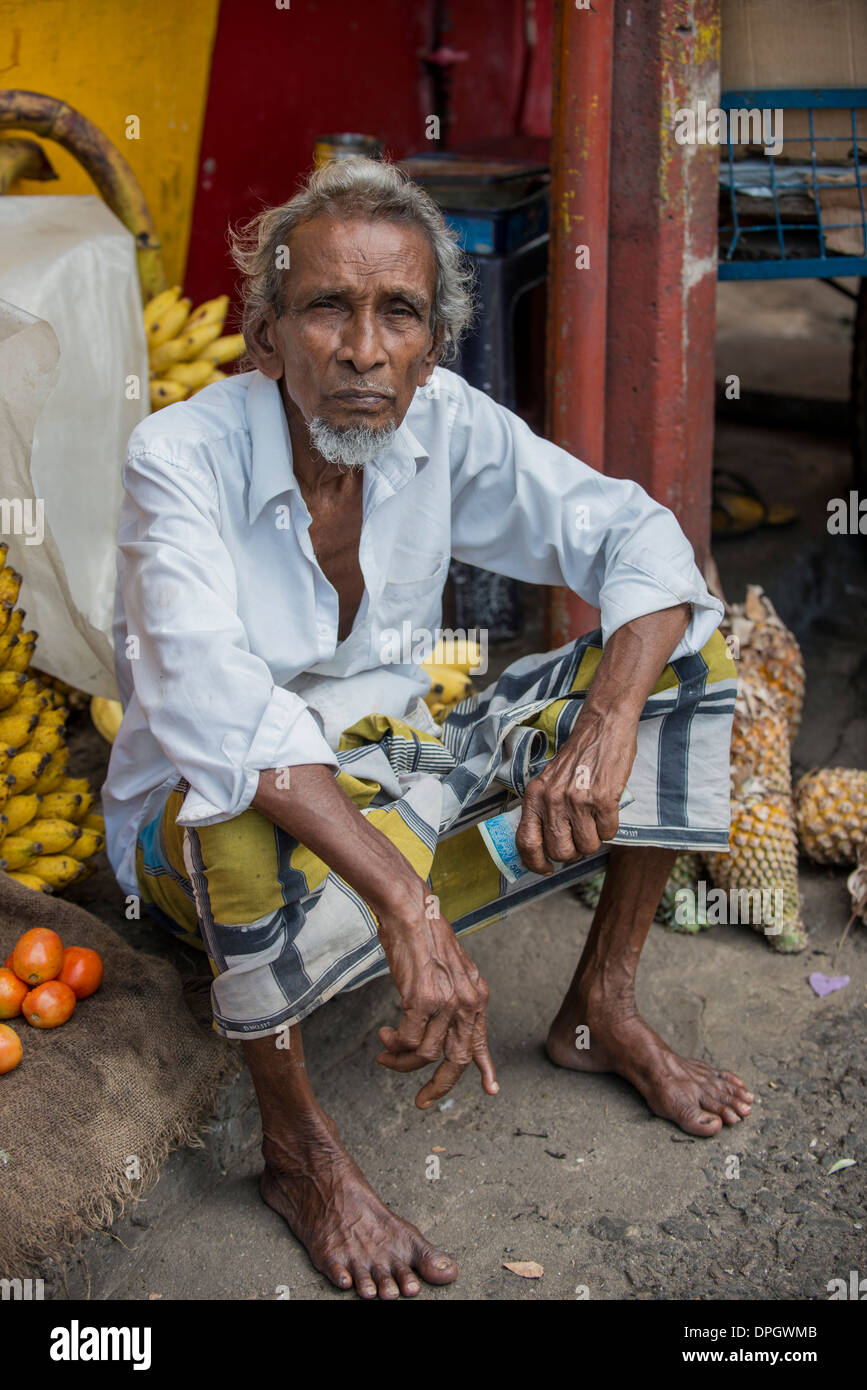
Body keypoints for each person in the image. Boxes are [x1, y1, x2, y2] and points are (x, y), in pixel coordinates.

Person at [103, 157, 752, 1301]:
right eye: (325, 310)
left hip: (411, 778)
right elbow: (222, 718)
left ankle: (602, 1004)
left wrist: (603, 723)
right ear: (266, 338)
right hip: (218, 834)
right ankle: (298, 1153)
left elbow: (639, 537)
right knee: (242, 811)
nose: (363, 349)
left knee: (681, 651)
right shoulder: (179, 462)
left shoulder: (441, 423)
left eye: (397, 312)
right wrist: (410, 909)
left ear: (434, 343)